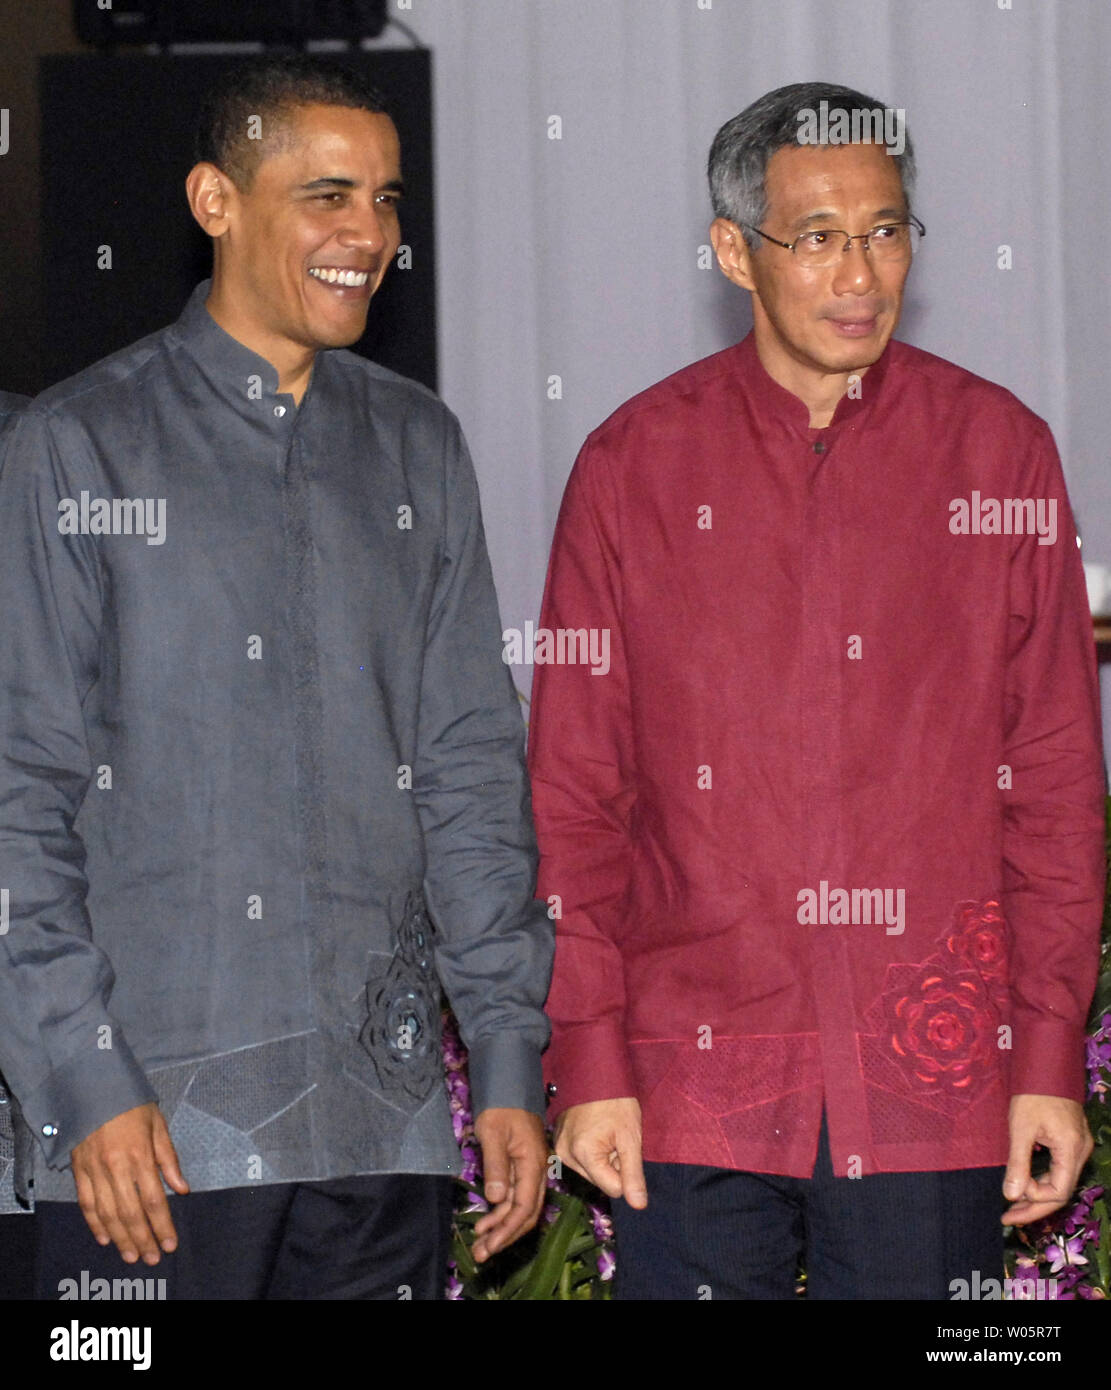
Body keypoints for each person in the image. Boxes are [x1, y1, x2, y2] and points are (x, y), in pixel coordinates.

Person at [527, 81, 1105, 1300]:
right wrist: (586, 1053)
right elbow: (576, 789)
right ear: (735, 250)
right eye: (820, 236)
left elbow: (1052, 777)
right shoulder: (631, 468)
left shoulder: (1000, 455)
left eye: (887, 230)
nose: (861, 273)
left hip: (931, 1084)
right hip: (690, 1080)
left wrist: (1047, 1051)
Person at [0, 56, 552, 1301]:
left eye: (389, 200)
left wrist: (508, 1057)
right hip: (148, 1141)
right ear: (216, 201)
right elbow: (15, 796)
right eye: (329, 195)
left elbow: (469, 769)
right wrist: (83, 1074)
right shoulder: (77, 442)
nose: (371, 234)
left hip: (384, 1128)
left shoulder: (421, 444)